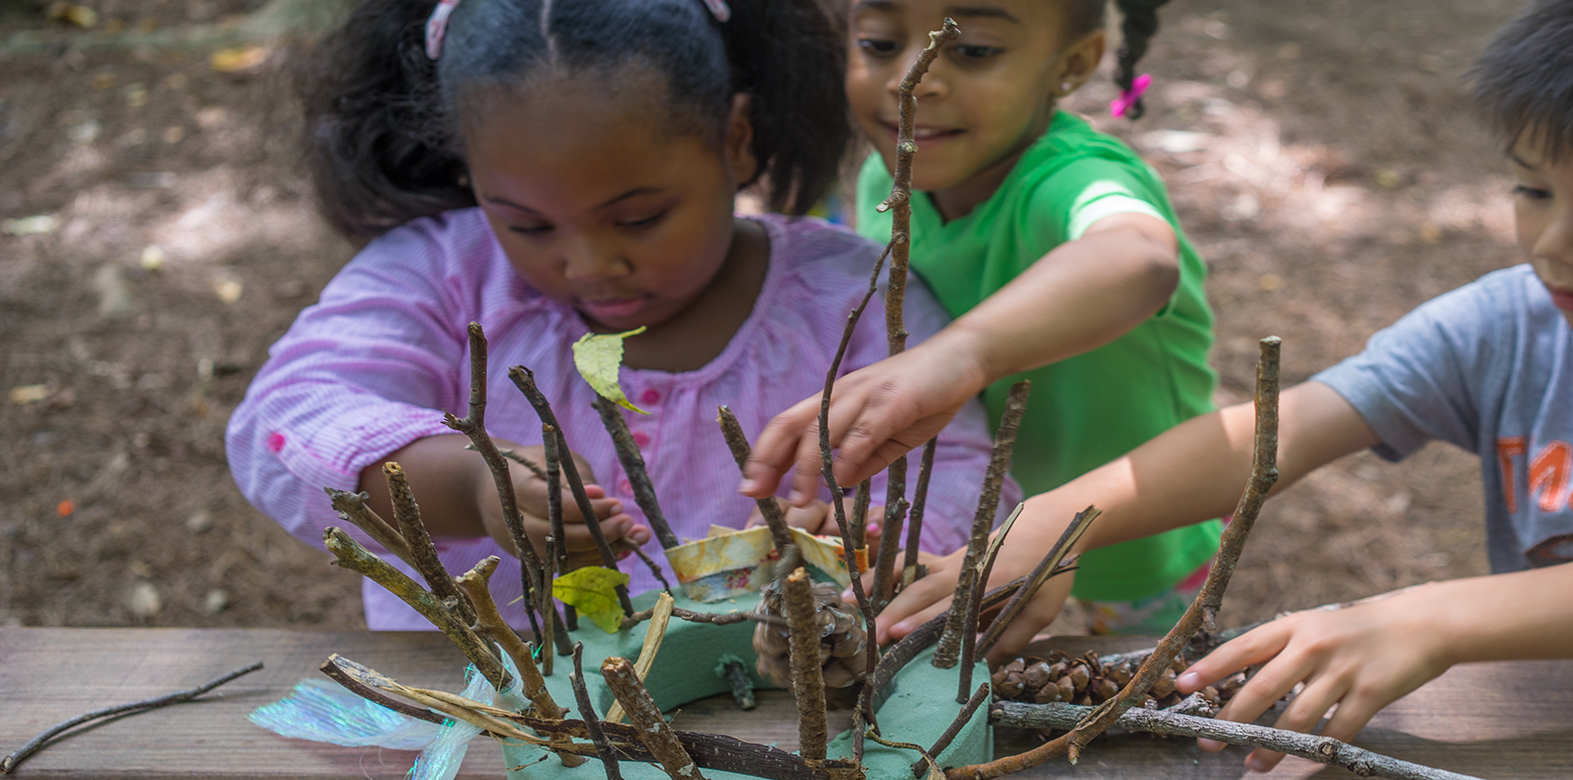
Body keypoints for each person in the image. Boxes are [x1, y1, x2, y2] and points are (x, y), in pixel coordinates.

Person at [880, 0, 1573, 770]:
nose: (1555, 245)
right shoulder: (1506, 318)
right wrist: (1059, 518)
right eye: (1529, 189)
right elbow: (1274, 433)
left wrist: (1425, 617)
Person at [226, 0, 1005, 630]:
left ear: (734, 140)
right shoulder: (438, 277)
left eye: (638, 218)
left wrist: (870, 540)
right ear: (471, 168)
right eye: (527, 224)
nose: (590, 264)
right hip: (491, 721)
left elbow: (966, 477)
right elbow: (285, 421)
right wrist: (469, 485)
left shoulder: (851, 302)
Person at [738, 0, 1224, 635]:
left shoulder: (1070, 179)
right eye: (881, 43)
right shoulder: (886, 184)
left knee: (1140, 696)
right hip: (990, 535)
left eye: (972, 51)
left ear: (1071, 65)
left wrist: (958, 354)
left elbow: (1138, 257)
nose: (915, 78)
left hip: (1133, 534)